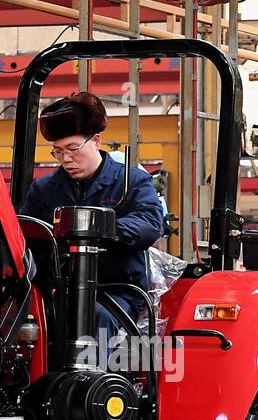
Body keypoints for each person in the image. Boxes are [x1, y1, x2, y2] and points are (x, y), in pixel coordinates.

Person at [21, 92, 166, 337]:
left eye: (72, 148)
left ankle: (94, 375)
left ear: (96, 140)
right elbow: (27, 235)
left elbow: (151, 223)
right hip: (61, 288)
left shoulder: (130, 181)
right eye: (57, 151)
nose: (66, 158)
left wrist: (102, 227)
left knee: (94, 317)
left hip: (116, 291)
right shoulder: (43, 189)